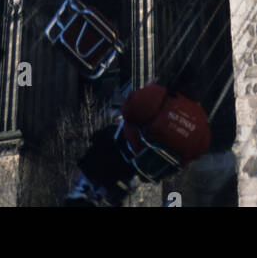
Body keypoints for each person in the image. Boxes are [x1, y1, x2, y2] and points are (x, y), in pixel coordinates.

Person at [65, 75, 211, 206]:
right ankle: (110, 193)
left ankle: (85, 186)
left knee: (105, 137)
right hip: (157, 170)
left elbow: (129, 110)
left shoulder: (163, 97)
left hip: (133, 150)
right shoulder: (201, 124)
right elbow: (198, 151)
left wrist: (148, 88)